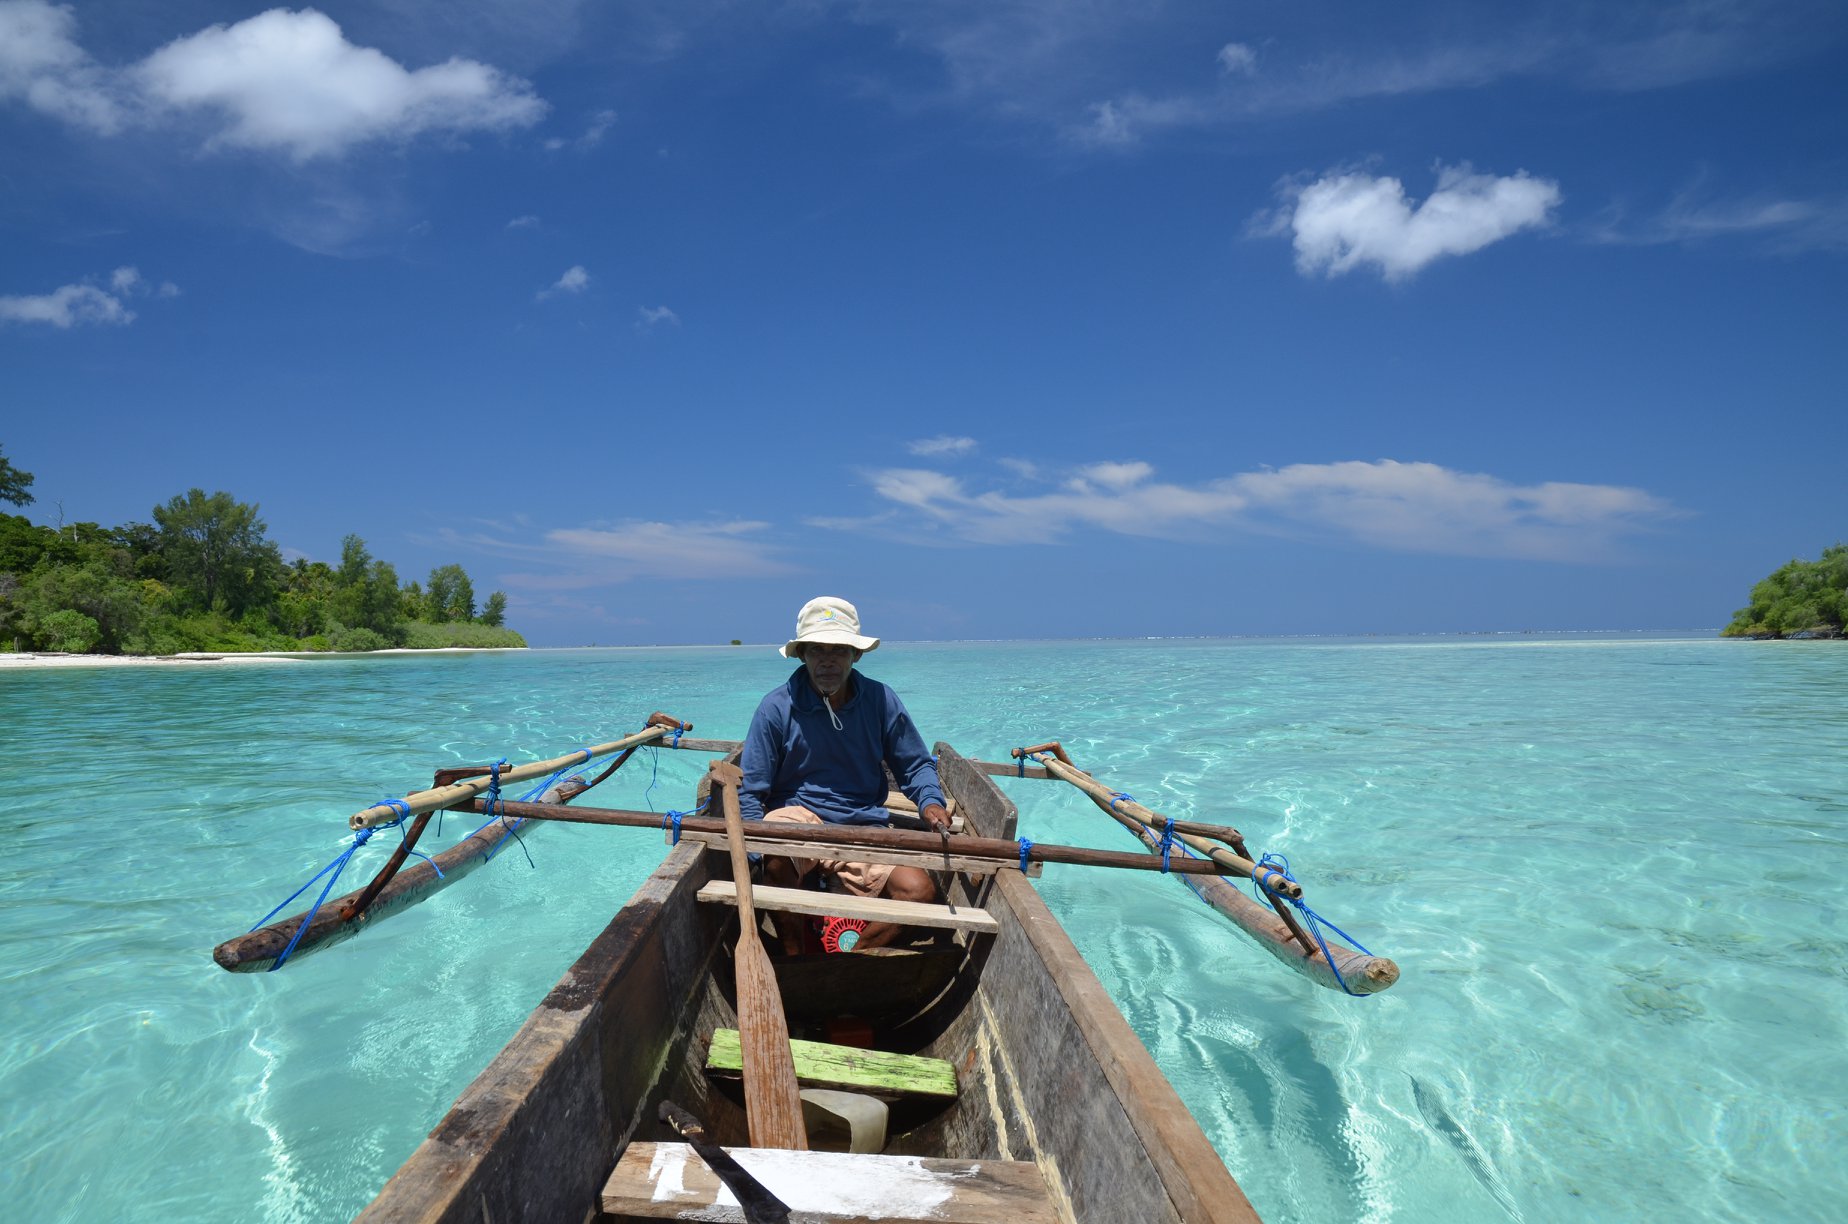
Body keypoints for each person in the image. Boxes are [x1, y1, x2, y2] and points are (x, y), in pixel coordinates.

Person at [738, 595, 951, 952]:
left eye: (838, 651)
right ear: (802, 654)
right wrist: (752, 858)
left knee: (919, 893)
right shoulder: (776, 707)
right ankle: (794, 954)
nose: (827, 662)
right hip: (799, 816)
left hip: (863, 825)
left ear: (856, 655)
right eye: (817, 651)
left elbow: (915, 766)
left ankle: (842, 958)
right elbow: (751, 790)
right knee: (775, 850)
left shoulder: (881, 701)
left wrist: (930, 803)